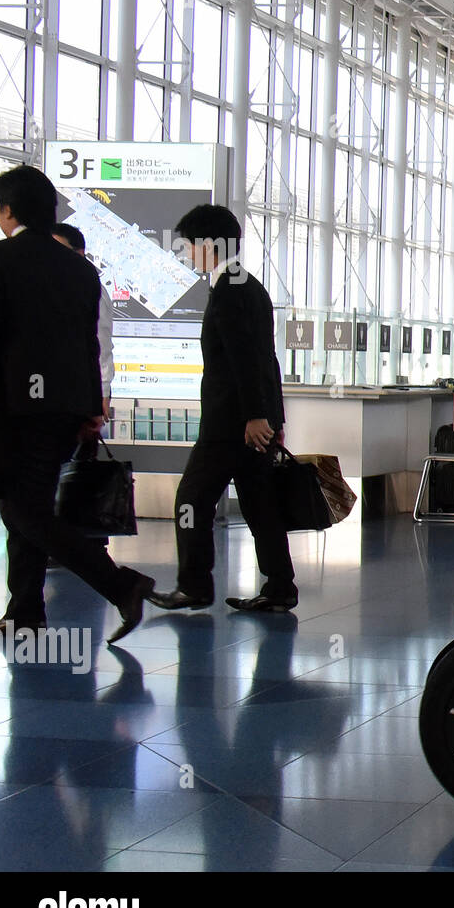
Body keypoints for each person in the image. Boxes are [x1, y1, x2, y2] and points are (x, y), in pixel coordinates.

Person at [0, 165, 154, 643]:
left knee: (24, 513)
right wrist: (90, 409)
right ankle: (25, 613)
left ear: (8, 210)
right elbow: (90, 344)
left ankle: (121, 585)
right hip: (63, 413)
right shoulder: (81, 270)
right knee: (27, 508)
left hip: (13, 414)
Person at [148, 205, 296, 614]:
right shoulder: (249, 285)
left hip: (231, 424)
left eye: (189, 246)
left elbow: (244, 359)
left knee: (191, 499)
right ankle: (280, 586)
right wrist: (272, 416)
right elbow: (268, 360)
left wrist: (255, 416)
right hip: (251, 420)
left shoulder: (229, 290)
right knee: (259, 503)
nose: (186, 254)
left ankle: (194, 585)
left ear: (207, 245)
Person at [52, 223, 113, 423]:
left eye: (61, 251)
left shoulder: (91, 288)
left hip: (81, 392)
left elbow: (101, 343)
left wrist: (102, 392)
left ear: (80, 253)